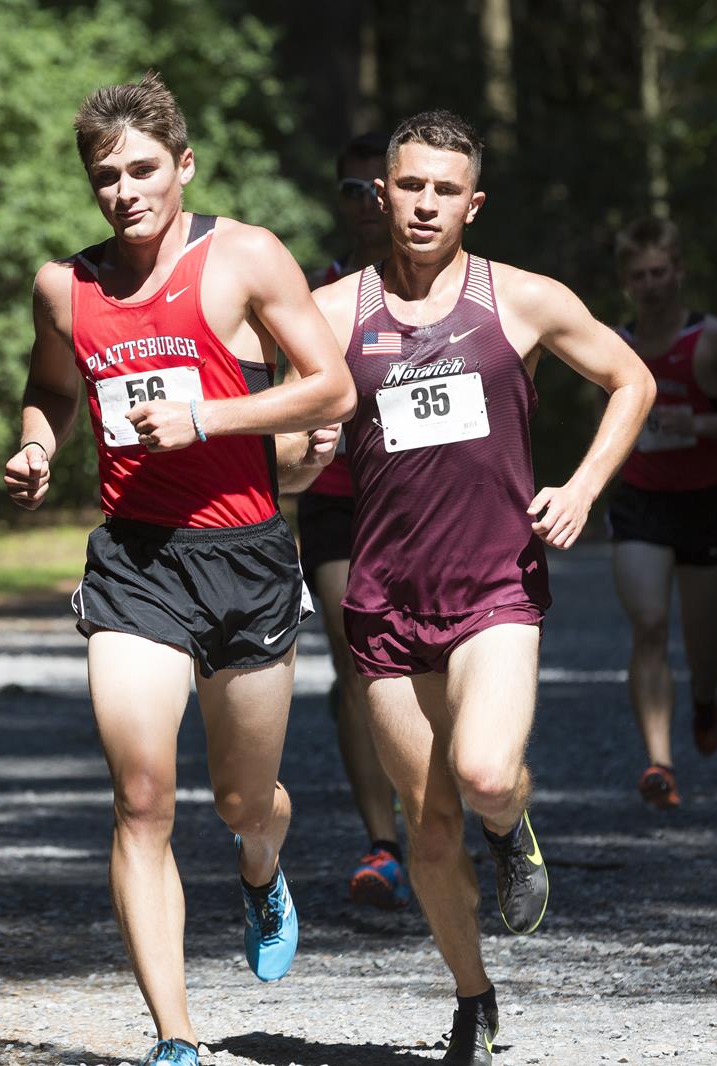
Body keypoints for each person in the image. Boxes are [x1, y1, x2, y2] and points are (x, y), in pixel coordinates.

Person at [283, 110, 654, 1065]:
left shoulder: (520, 299)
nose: (424, 205)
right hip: (385, 599)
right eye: (409, 186)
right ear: (382, 192)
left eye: (446, 191)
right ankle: (472, 995)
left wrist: (579, 487)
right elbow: (282, 452)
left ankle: (514, 817)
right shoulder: (330, 314)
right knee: (430, 830)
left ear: (472, 204)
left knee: (484, 774)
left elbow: (632, 379)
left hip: (496, 585)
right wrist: (299, 452)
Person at [2, 73, 355, 1066]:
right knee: (143, 796)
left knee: (244, 798)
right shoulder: (63, 287)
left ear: (183, 165)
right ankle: (176, 1036)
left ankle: (259, 863)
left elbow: (331, 382)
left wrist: (210, 416)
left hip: (243, 558)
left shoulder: (241, 256)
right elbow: (49, 384)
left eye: (143, 168)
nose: (124, 190)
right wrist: (36, 442)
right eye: (104, 175)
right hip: (135, 563)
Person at [608, 217, 717, 810]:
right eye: (639, 276)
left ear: (678, 272)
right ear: (626, 283)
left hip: (703, 502)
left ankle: (705, 695)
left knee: (702, 646)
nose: (652, 285)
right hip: (639, 502)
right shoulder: (614, 343)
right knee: (650, 625)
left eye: (660, 272)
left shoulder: (715, 339)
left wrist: (703, 424)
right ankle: (660, 763)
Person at [286, 131, 412, 910]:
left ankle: (461, 799)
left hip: (427, 504)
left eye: (380, 188)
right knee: (357, 657)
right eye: (351, 191)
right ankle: (383, 843)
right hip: (337, 500)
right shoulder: (310, 298)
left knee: (433, 663)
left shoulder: (451, 292)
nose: (367, 204)